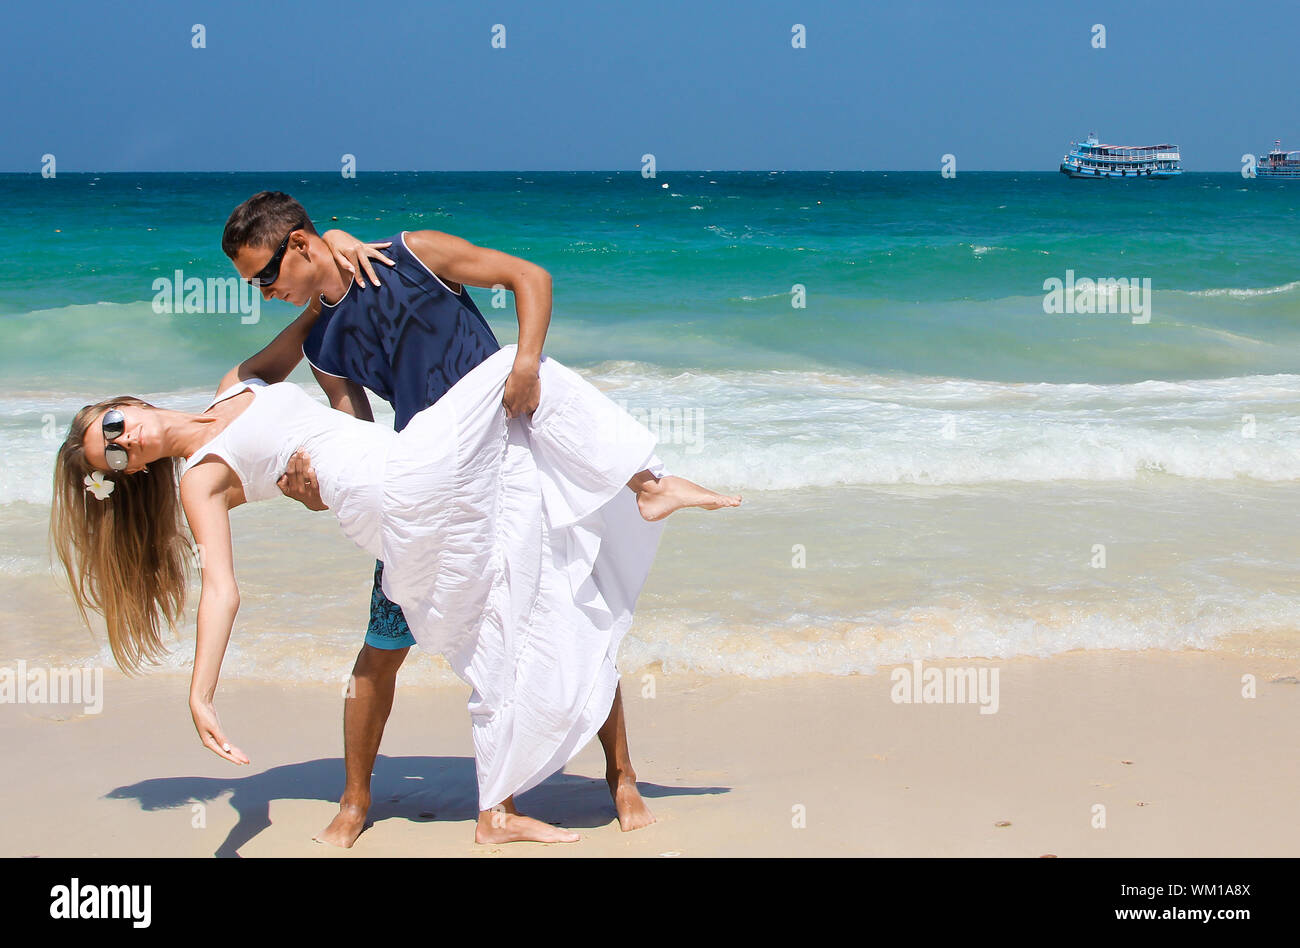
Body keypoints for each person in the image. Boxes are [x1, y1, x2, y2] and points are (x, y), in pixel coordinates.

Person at [50, 344, 742, 844]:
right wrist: (200, 692)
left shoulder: (239, 382)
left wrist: (345, 242)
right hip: (386, 493)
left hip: (403, 464)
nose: (123, 443)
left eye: (113, 428)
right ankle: (648, 487)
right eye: (113, 456)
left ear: (124, 405)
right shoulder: (198, 479)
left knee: (512, 603)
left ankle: (499, 812)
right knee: (512, 370)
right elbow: (221, 590)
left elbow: (318, 314)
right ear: (129, 472)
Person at [221, 190, 657, 845]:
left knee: (567, 622)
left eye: (264, 276)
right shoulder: (322, 345)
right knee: (382, 645)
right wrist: (318, 487)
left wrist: (528, 361)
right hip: (427, 492)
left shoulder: (413, 254)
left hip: (510, 466)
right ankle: (354, 800)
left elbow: (528, 277)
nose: (262, 293)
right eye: (251, 283)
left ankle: (621, 777)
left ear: (303, 245)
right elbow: (358, 440)